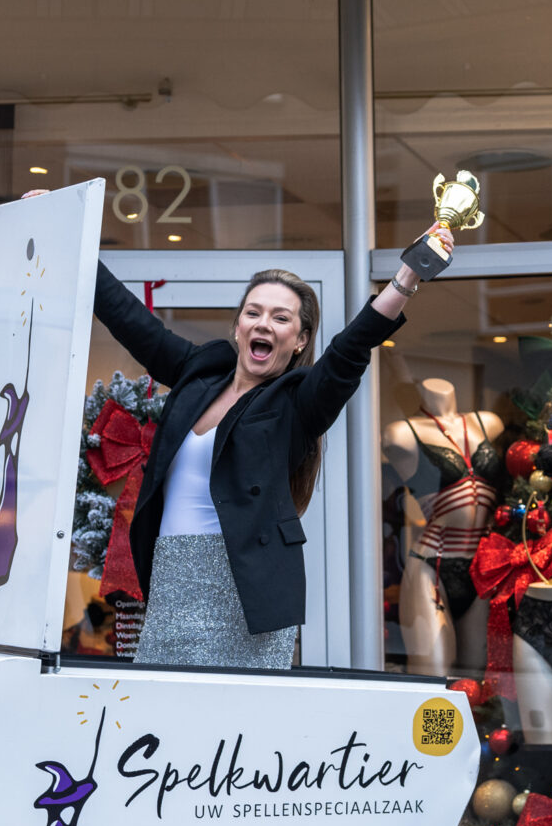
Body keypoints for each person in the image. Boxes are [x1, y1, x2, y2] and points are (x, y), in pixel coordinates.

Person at [87, 231, 441, 668]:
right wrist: (75, 239)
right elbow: (129, 321)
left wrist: (406, 277)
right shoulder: (197, 372)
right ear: (237, 328)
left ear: (299, 340)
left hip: (245, 591)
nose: (263, 324)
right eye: (253, 313)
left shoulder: (296, 403)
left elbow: (349, 350)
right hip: (172, 581)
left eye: (280, 318)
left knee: (237, 728)